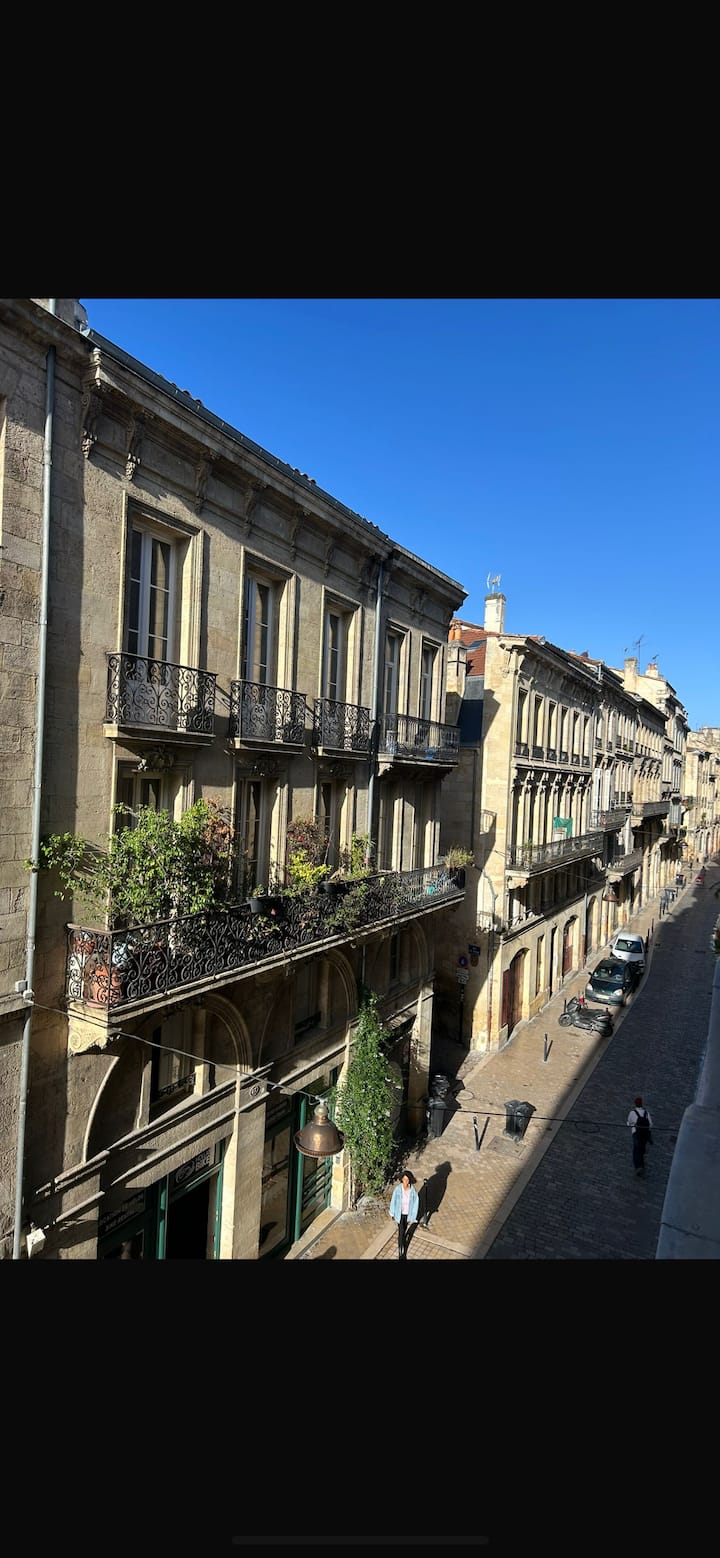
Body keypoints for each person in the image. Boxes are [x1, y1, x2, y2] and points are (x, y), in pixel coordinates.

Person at [389, 1170, 419, 1259]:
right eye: (404, 1179)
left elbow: (415, 1205)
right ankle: (401, 1253)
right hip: (399, 1214)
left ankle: (402, 1243)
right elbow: (393, 1201)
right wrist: (392, 1212)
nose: (406, 1181)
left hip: (408, 1214)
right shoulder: (398, 1190)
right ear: (402, 1180)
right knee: (401, 1233)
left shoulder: (413, 1192)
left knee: (404, 1230)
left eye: (407, 1180)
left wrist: (413, 1217)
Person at [627, 1095, 653, 1176]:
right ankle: (642, 1166)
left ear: (635, 1104)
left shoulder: (632, 1113)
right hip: (644, 1135)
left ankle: (637, 1167)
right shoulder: (646, 1113)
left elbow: (629, 1123)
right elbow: (651, 1124)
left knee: (636, 1150)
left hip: (636, 1133)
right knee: (641, 1150)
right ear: (642, 1104)